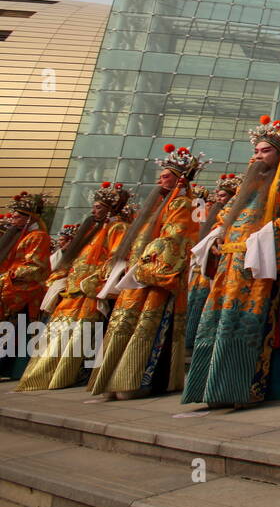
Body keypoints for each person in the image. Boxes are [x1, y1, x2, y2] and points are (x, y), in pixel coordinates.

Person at [182, 121, 280, 408]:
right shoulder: (247, 185)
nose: (257, 156)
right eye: (256, 150)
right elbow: (224, 217)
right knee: (216, 325)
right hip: (228, 267)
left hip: (258, 270)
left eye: (265, 151)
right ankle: (210, 388)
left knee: (247, 327)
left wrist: (261, 238)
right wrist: (217, 236)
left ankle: (242, 389)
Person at [89, 145, 205, 399]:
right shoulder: (154, 209)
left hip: (157, 278)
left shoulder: (186, 204)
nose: (159, 179)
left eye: (165, 176)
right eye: (161, 175)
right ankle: (112, 380)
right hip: (136, 276)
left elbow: (176, 239)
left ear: (180, 179)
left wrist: (145, 263)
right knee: (121, 325)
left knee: (148, 327)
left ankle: (139, 381)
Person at [18, 183, 130, 390]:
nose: (94, 211)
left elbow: (118, 259)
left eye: (98, 207)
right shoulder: (92, 230)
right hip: (73, 290)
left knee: (80, 334)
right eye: (94, 207)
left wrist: (95, 279)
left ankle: (68, 374)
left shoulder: (117, 228)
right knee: (56, 333)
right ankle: (42, 376)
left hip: (89, 291)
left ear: (109, 208)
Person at [0, 193, 53, 381]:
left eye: (17, 216)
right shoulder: (17, 236)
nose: (13, 219)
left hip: (25, 292)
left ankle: (8, 368)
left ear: (29, 218)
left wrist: (8, 276)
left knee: (15, 331)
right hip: (8, 288)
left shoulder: (38, 237)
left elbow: (36, 268)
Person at [185, 173, 237, 351]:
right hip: (203, 262)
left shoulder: (230, 214)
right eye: (217, 195)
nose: (218, 199)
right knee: (195, 300)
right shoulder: (211, 213)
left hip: (219, 264)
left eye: (223, 196)